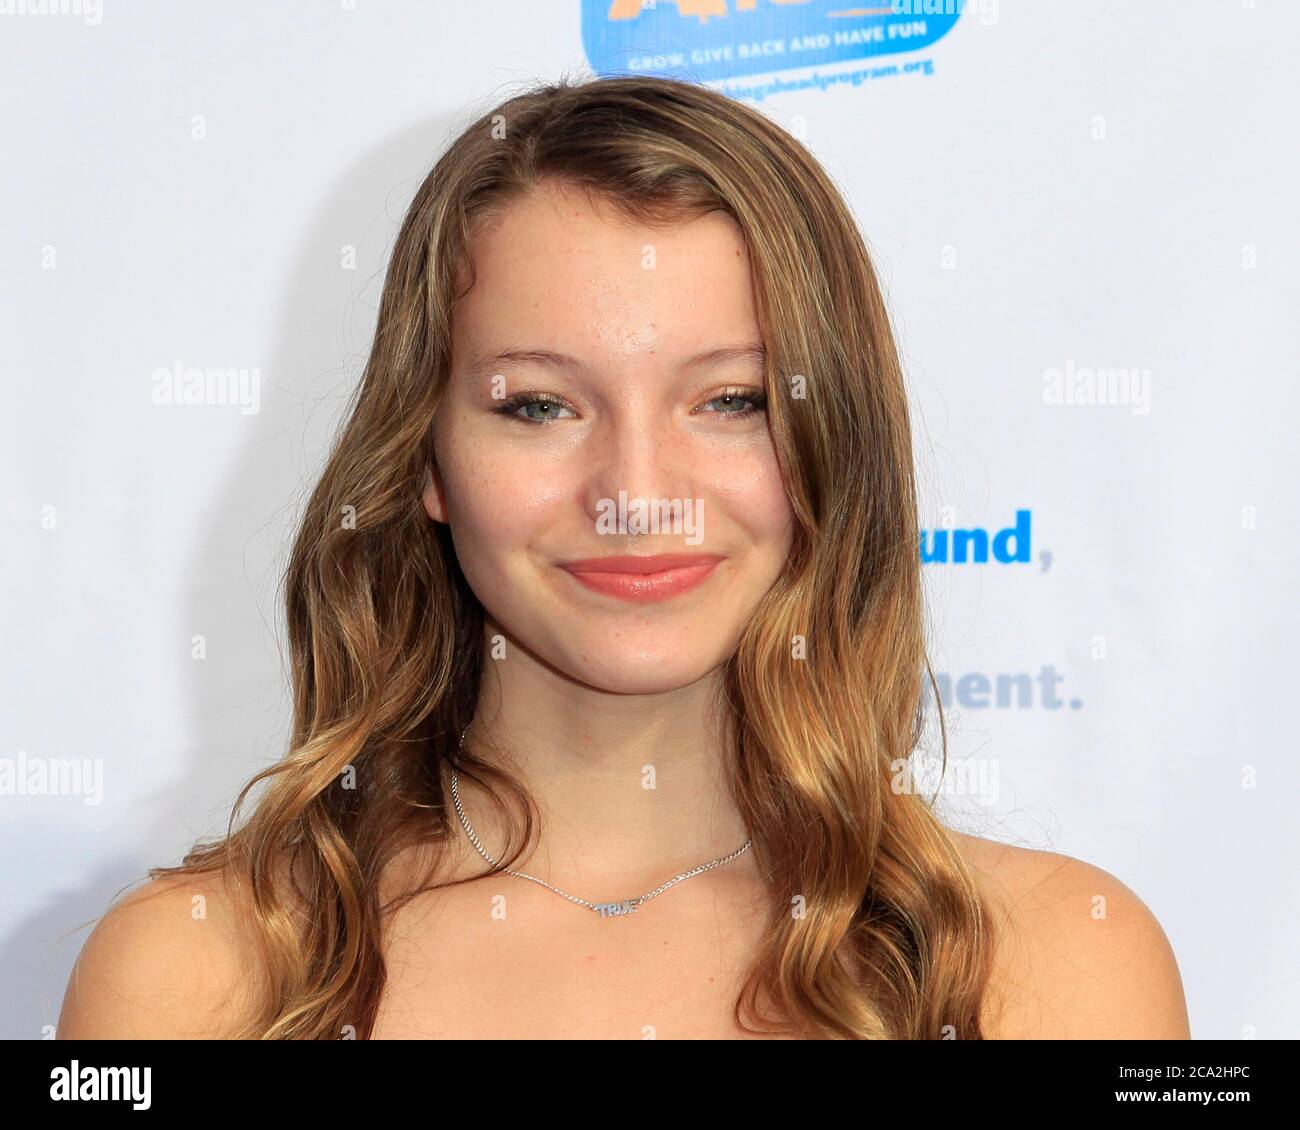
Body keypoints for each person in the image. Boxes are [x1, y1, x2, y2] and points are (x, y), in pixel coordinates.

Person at [56, 73, 1189, 1040]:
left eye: (731, 399)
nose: (637, 495)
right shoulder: (193, 977)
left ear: (830, 442)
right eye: (541, 405)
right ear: (428, 458)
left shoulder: (1055, 970)